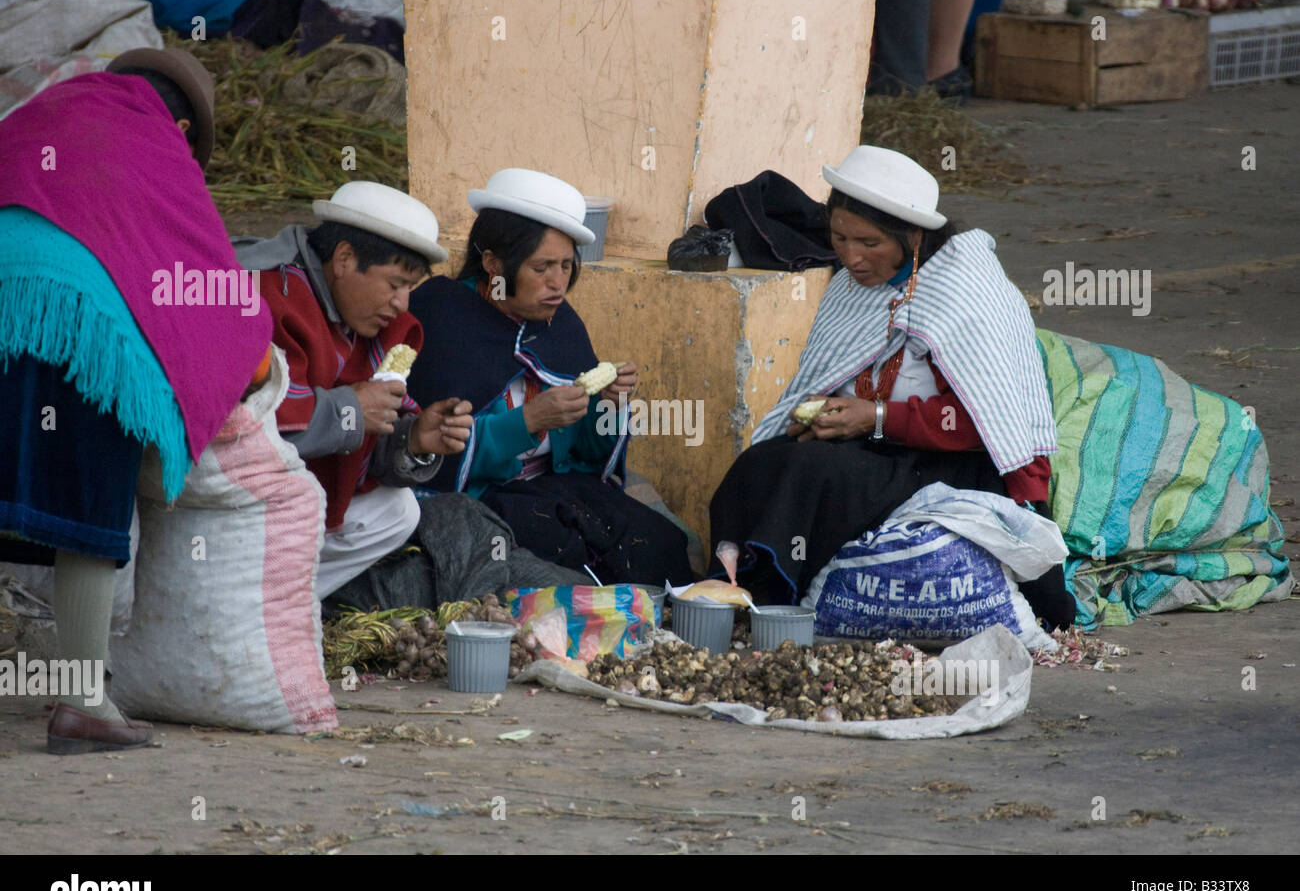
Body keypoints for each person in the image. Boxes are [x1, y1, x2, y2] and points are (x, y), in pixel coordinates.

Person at [0, 49, 272, 752]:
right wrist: (249, 347)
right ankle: (84, 703)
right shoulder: (156, 141)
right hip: (76, 319)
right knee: (90, 494)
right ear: (182, 125)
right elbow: (205, 278)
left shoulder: (43, 110)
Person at [708, 145, 1076, 627]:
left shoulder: (963, 289)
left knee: (811, 474)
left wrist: (876, 418)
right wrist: (829, 411)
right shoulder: (852, 286)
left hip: (964, 464)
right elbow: (844, 368)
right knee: (761, 461)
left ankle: (774, 600)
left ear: (913, 236)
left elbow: (986, 422)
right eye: (838, 238)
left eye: (870, 242)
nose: (851, 257)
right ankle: (724, 591)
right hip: (888, 449)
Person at [405, 168, 693, 587]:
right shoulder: (441, 318)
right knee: (565, 565)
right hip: (484, 498)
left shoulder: (561, 324)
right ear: (494, 264)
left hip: (557, 486)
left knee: (659, 544)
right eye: (541, 268)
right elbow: (432, 454)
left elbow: (587, 454)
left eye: (564, 266)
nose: (557, 283)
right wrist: (528, 421)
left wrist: (607, 405)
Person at [234, 182, 474, 598]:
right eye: (395, 284)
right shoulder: (267, 294)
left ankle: (279, 603)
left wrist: (414, 439)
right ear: (344, 258)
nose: (402, 305)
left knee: (397, 512)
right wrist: (349, 410)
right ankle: (254, 604)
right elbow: (245, 431)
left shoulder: (376, 328)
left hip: (295, 505)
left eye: (409, 289)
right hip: (232, 499)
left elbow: (361, 438)